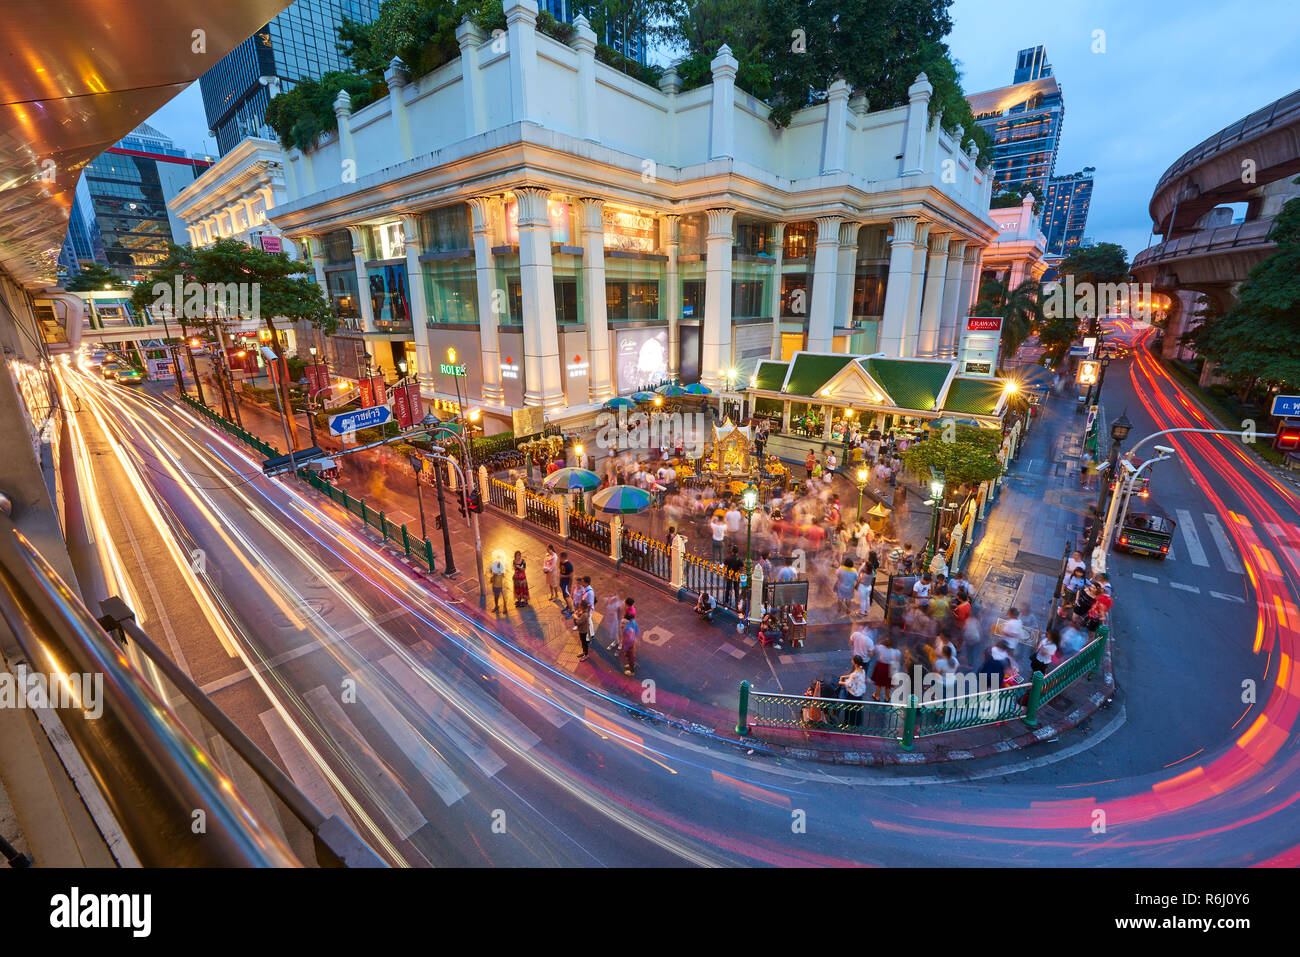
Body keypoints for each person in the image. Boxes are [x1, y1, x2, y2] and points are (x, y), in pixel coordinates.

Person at [837, 656, 868, 725]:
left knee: (850, 709)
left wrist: (840, 682)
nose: (851, 661)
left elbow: (849, 684)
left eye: (853, 660)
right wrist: (845, 676)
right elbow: (853, 676)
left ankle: (850, 723)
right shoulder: (862, 670)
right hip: (859, 693)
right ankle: (857, 722)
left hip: (853, 694)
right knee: (857, 709)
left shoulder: (854, 674)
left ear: (855, 664)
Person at [870, 636, 899, 701]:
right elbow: (897, 661)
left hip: (881, 666)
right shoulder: (896, 651)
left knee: (879, 683)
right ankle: (886, 697)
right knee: (888, 684)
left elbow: (874, 650)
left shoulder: (880, 647)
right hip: (890, 667)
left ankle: (877, 696)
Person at [558, 552, 575, 616]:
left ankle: (572, 611)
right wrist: (560, 581)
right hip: (562, 582)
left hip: (567, 583)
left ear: (563, 558)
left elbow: (571, 576)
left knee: (568, 597)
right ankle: (568, 607)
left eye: (560, 557)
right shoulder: (561, 563)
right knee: (564, 596)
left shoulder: (569, 565)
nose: (559, 559)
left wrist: (570, 586)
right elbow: (560, 572)